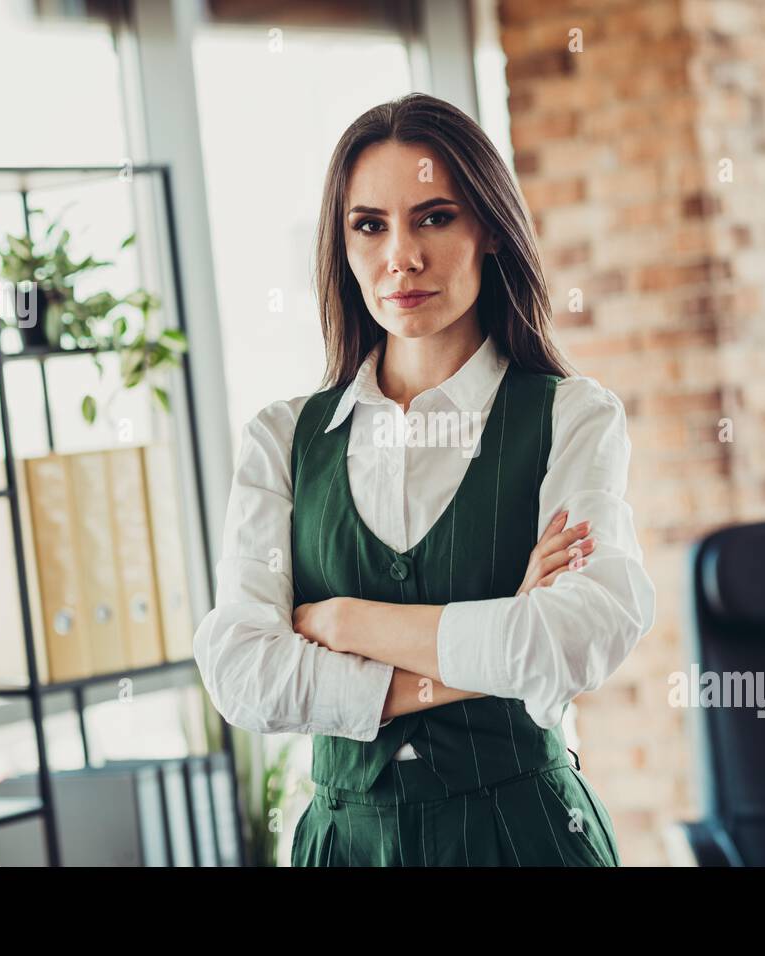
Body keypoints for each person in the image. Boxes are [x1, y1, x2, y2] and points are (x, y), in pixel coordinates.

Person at [193, 92, 656, 866]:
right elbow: (243, 675)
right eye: (369, 225)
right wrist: (498, 640)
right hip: (344, 846)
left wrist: (340, 622)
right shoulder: (282, 439)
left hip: (526, 840)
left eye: (434, 217)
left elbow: (580, 635)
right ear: (341, 247)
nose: (400, 256)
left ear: (490, 231)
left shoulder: (570, 417)